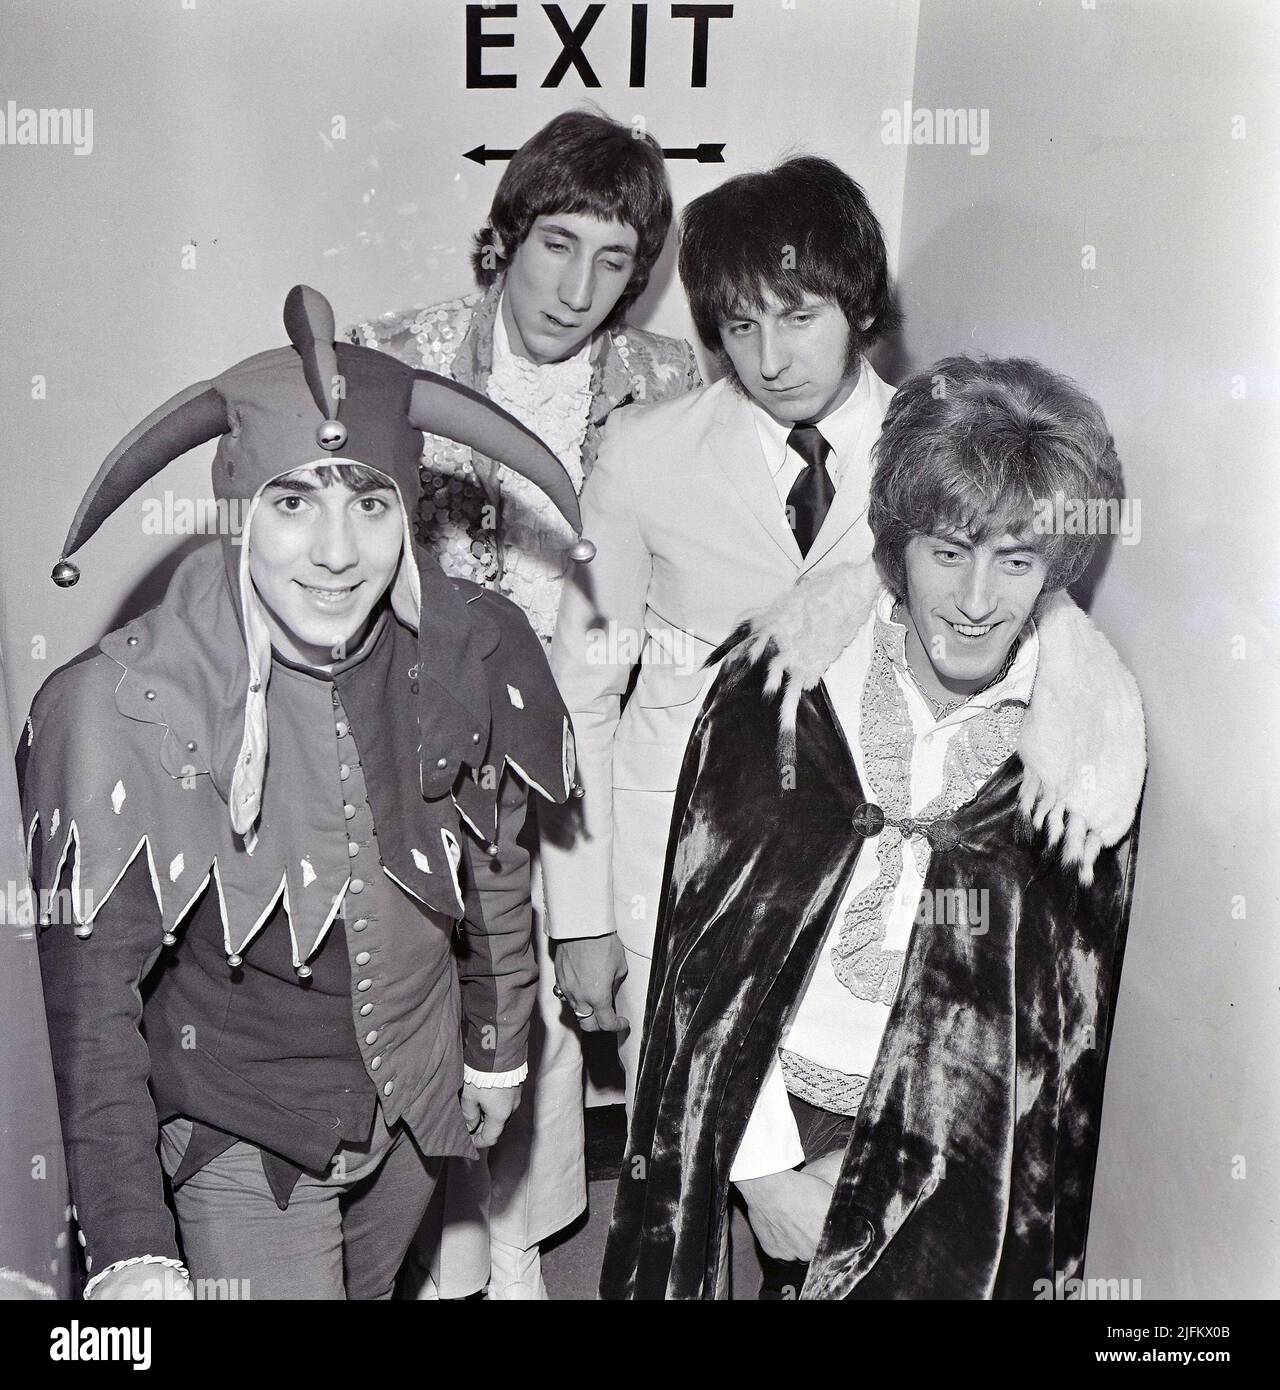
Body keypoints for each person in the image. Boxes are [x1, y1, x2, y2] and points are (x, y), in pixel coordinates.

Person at [22, 285, 590, 1299]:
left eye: (368, 502)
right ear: (243, 506)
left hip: (413, 1106)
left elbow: (498, 867)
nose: (336, 552)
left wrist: (495, 1046)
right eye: (294, 502)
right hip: (241, 1130)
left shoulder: (477, 646)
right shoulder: (125, 709)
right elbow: (91, 1007)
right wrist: (127, 1239)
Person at [600, 355, 1147, 1299]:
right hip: (769, 1100)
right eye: (947, 552)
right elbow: (702, 944)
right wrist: (767, 1168)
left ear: (1055, 567)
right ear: (896, 545)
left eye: (1015, 562)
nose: (977, 604)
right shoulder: (783, 684)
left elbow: (1049, 1033)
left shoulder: (1079, 756)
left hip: (947, 1137)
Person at [349, 107, 699, 1300]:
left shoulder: (668, 377)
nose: (578, 286)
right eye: (557, 244)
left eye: (613, 261)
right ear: (503, 238)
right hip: (426, 731)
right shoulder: (393, 353)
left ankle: (515, 1251)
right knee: (430, 993)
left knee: (553, 998)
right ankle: (447, 1247)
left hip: (586, 733)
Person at [542, 155, 900, 1107]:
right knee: (681, 1175)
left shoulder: (936, 448)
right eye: (742, 326)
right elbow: (584, 690)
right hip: (680, 865)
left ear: (859, 306)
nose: (771, 359)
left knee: (832, 1195)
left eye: (798, 316)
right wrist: (581, 917)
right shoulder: (642, 451)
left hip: (872, 881)